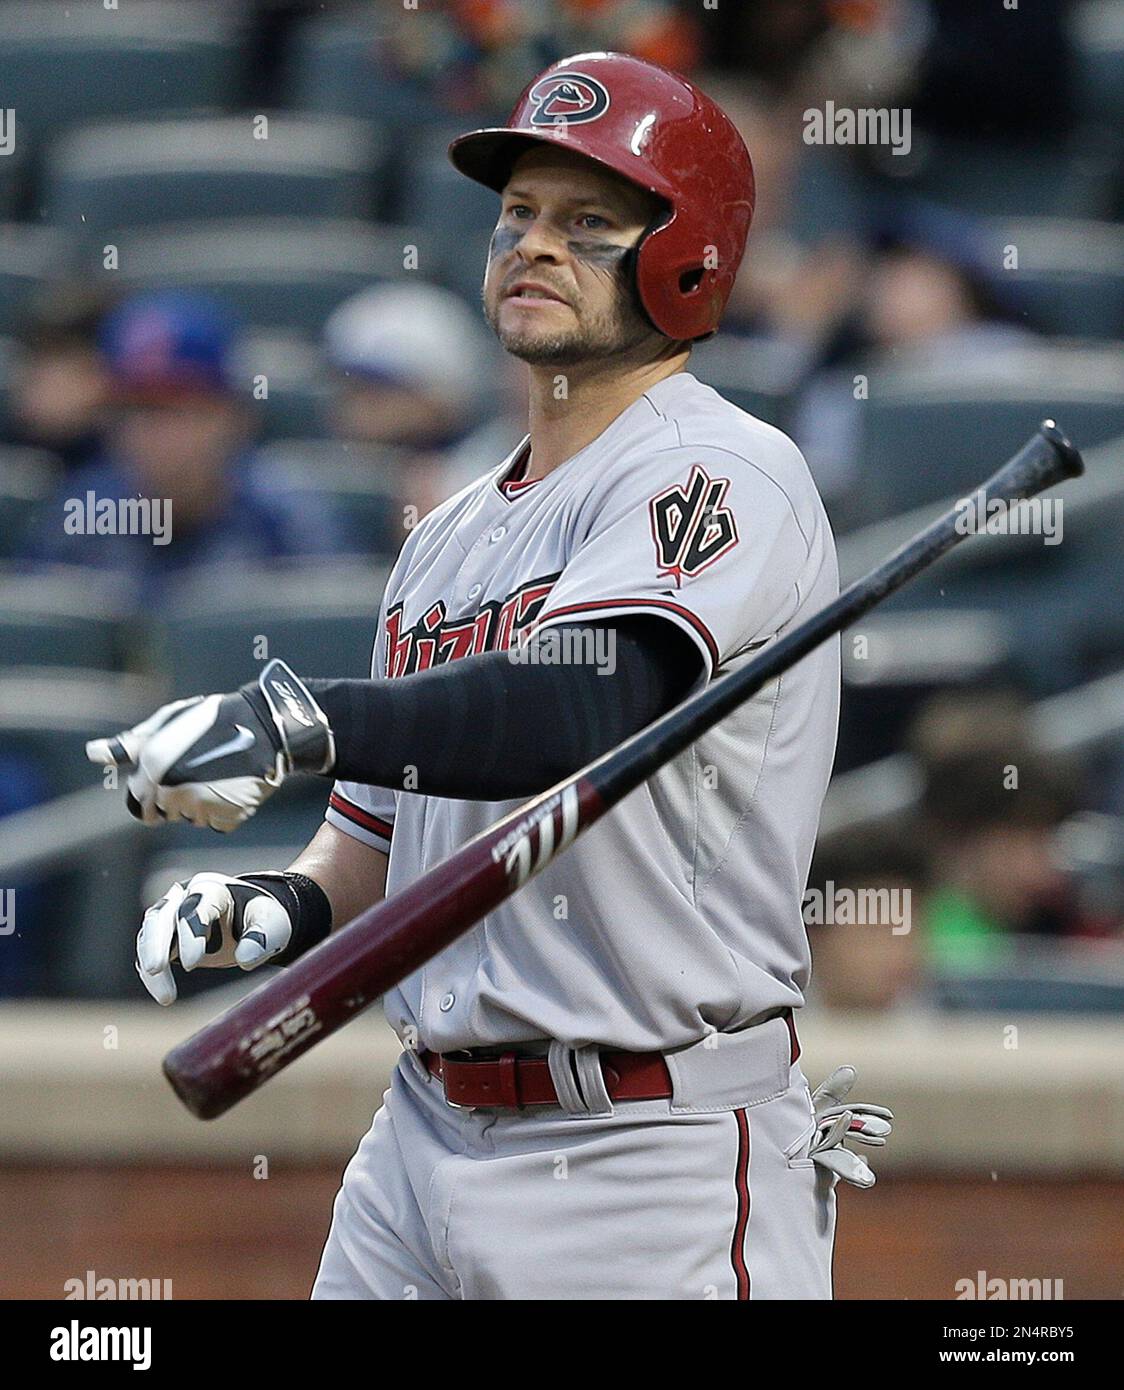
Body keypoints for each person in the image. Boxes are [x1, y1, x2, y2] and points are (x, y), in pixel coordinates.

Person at [87, 54, 891, 1300]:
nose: (531, 242)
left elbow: (577, 704)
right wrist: (275, 909)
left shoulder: (725, 469)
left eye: (586, 223)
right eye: (516, 213)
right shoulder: (446, 538)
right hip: (420, 1132)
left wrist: (290, 725)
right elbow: (378, 843)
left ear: (685, 257)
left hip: (645, 1148)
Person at [20, 290, 347, 597]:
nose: (160, 436)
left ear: (234, 417)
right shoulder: (79, 521)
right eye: (140, 410)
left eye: (181, 410)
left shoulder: (288, 522)